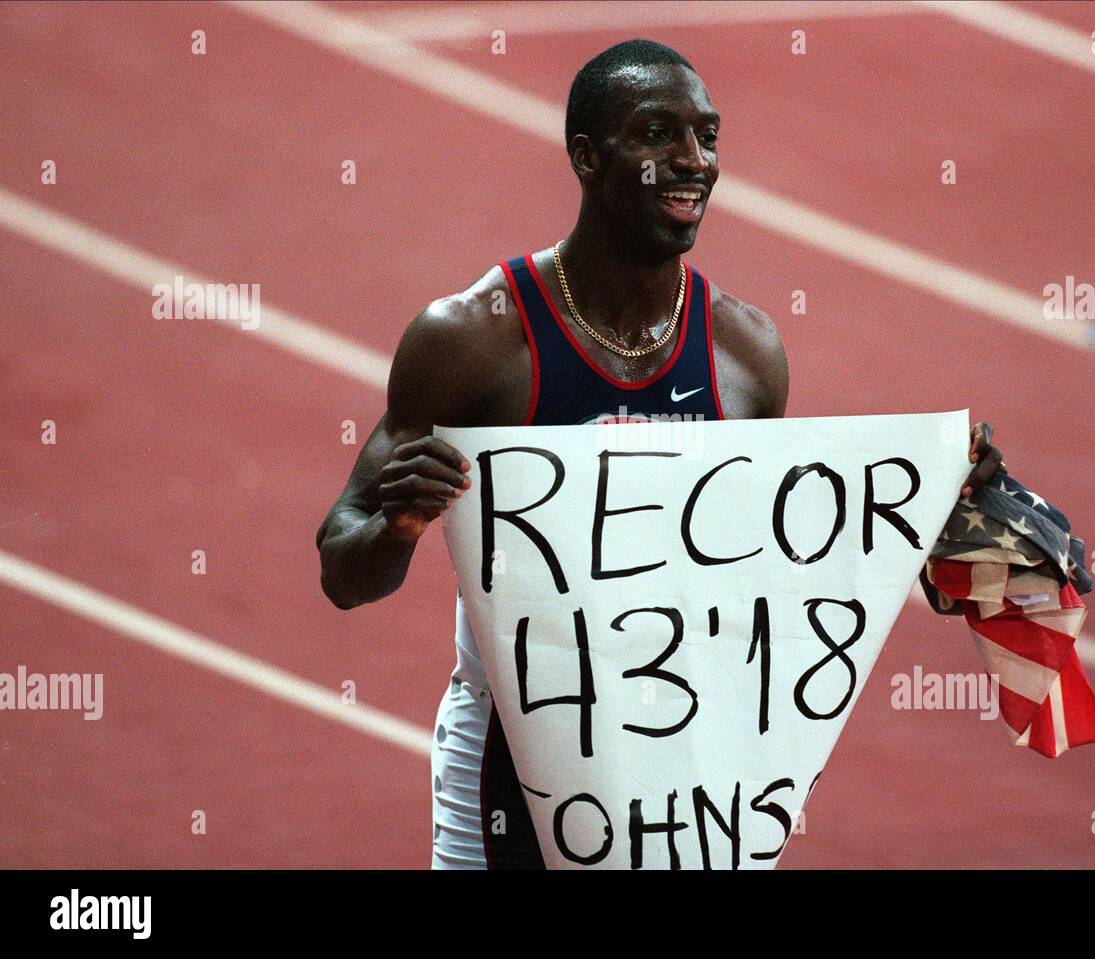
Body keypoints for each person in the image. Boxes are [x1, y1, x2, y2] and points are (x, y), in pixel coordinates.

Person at [316, 39, 1004, 869]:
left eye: (707, 136)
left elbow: (768, 573)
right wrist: (398, 525)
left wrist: (919, 512)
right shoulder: (475, 340)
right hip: (510, 778)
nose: (692, 160)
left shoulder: (745, 356)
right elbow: (343, 571)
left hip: (687, 776)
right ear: (587, 158)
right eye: (657, 133)